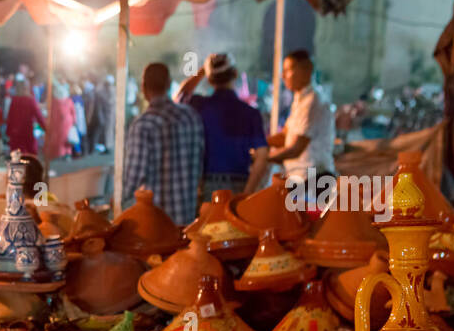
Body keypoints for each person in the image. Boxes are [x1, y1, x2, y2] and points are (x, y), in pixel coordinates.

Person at [122, 62, 205, 226]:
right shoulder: (191, 117)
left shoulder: (144, 124)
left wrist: (118, 200)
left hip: (157, 223)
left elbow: (133, 177)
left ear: (143, 88)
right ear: (169, 84)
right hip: (187, 219)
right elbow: (199, 164)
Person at [175, 52, 268, 196]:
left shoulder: (199, 106)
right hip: (239, 184)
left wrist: (202, 71)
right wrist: (247, 192)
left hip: (207, 185)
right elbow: (262, 156)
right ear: (235, 74)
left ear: (209, 80)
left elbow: (180, 97)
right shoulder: (250, 113)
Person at [267, 49, 336, 196]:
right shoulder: (299, 100)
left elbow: (296, 148)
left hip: (314, 181)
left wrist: (265, 158)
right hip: (300, 179)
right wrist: (258, 144)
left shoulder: (314, 101)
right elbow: (284, 137)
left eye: (288, 70)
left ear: (307, 69)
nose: (283, 76)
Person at [5, 79, 46, 156]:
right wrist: (46, 127)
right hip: (27, 133)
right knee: (30, 156)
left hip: (16, 133)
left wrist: (8, 132)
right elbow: (38, 116)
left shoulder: (14, 100)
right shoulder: (30, 101)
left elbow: (10, 117)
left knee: (17, 158)